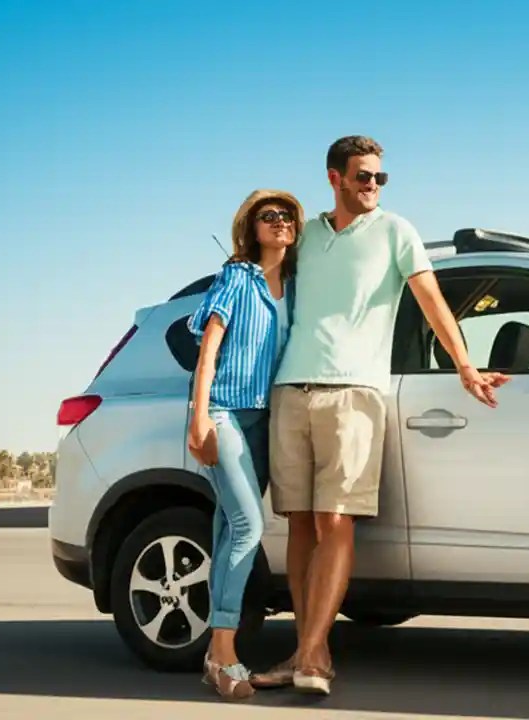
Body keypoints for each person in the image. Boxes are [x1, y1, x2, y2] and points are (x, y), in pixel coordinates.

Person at [248, 136, 508, 695]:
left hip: (355, 392)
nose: (373, 186)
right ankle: (305, 649)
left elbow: (431, 298)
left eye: (379, 178)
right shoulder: (307, 232)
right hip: (290, 389)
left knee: (334, 520)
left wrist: (465, 366)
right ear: (334, 178)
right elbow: (259, 273)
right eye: (363, 176)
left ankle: (314, 653)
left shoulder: (396, 232)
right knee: (298, 521)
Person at [187, 188, 302, 701]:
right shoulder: (237, 277)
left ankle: (215, 651)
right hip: (226, 412)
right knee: (248, 526)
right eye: (268, 216)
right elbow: (208, 350)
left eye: (286, 216)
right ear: (252, 228)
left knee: (225, 527)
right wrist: (200, 420)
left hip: (267, 420)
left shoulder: (297, 287)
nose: (279, 223)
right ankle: (225, 652)